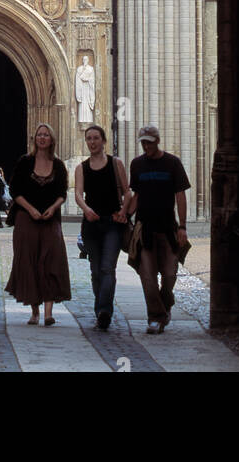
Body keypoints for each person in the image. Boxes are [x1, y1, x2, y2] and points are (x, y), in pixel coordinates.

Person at [123, 123, 190, 334]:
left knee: (170, 274)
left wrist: (182, 226)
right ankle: (156, 317)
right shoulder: (137, 165)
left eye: (149, 143)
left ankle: (165, 301)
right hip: (145, 229)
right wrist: (125, 216)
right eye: (143, 143)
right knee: (148, 276)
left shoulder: (172, 163)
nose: (146, 147)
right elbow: (137, 195)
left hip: (167, 228)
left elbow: (180, 195)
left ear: (157, 141)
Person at [4, 124, 71, 325]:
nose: (42, 138)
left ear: (52, 139)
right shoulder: (25, 162)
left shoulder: (58, 165)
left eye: (46, 135)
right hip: (26, 218)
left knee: (52, 259)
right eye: (39, 135)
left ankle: (48, 313)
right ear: (35, 139)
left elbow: (62, 192)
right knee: (29, 261)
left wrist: (53, 207)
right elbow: (15, 190)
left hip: (50, 218)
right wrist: (30, 209)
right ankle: (34, 311)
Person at [74, 124, 130, 329]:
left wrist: (124, 212)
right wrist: (86, 209)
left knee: (107, 268)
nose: (92, 142)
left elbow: (127, 192)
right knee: (96, 270)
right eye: (89, 138)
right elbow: (78, 194)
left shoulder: (116, 164)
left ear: (104, 141)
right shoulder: (82, 167)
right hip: (91, 225)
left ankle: (104, 311)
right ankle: (102, 308)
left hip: (112, 224)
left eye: (96, 138)